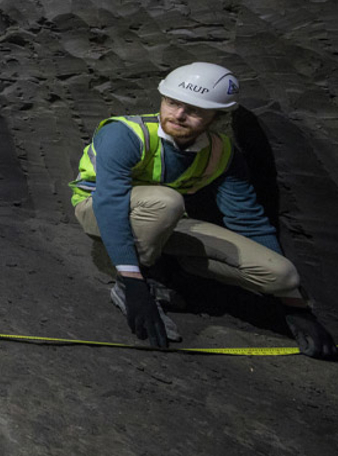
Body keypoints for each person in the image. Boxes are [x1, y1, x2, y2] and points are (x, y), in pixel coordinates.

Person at [69, 62, 336, 358]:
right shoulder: (126, 133)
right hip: (97, 208)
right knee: (167, 201)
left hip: (164, 220)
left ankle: (173, 269)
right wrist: (133, 282)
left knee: (283, 274)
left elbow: (248, 219)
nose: (179, 115)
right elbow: (111, 202)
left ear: (217, 117)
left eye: (195, 110)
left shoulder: (221, 151)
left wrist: (295, 306)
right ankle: (141, 277)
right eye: (172, 103)